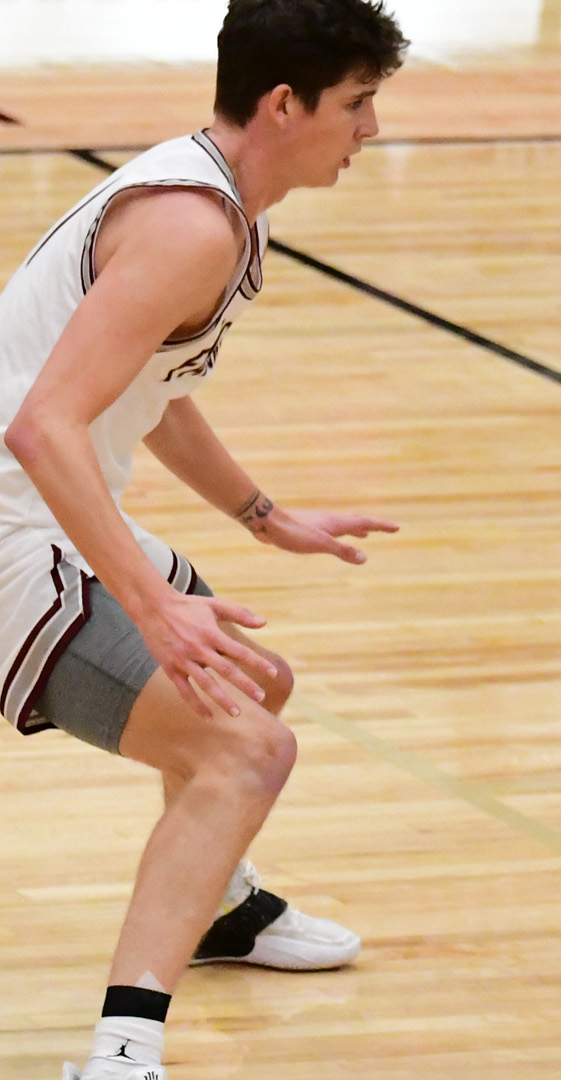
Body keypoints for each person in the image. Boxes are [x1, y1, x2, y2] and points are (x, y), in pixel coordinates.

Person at [0, 2, 407, 1077]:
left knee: (253, 685)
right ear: (284, 105)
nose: (370, 129)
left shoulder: (223, 202)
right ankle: (122, 1054)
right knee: (246, 749)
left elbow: (150, 385)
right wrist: (153, 606)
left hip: (42, 507)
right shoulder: (191, 225)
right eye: (358, 103)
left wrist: (265, 517)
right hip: (12, 528)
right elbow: (41, 427)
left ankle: (220, 911)